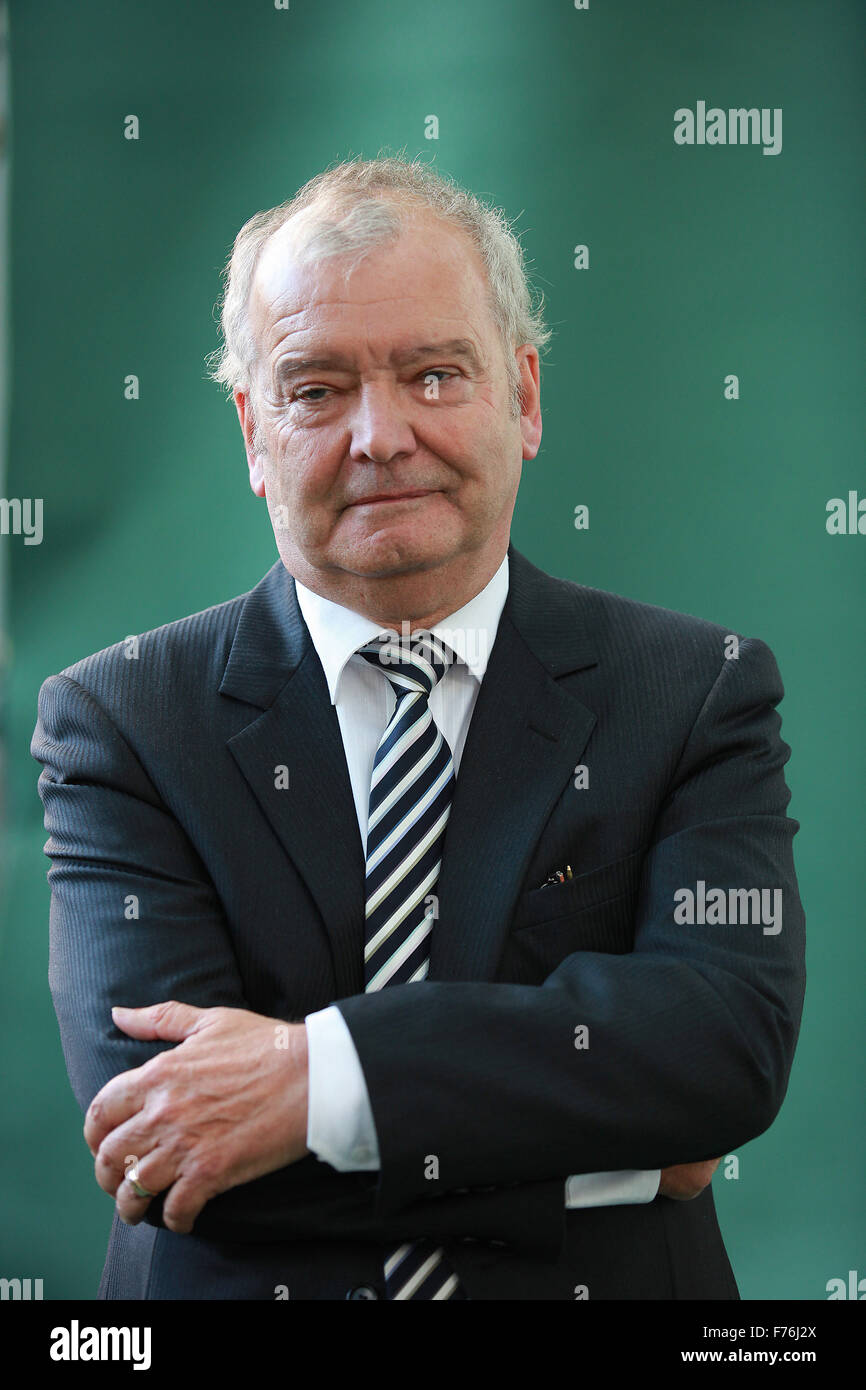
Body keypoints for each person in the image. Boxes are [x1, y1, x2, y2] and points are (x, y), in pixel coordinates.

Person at [31, 155, 805, 1300]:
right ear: (251, 430)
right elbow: (169, 1143)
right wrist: (625, 1165)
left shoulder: (693, 692)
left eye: (436, 374)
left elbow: (718, 1055)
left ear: (525, 397)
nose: (379, 434)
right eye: (314, 388)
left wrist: (311, 1079)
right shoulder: (121, 720)